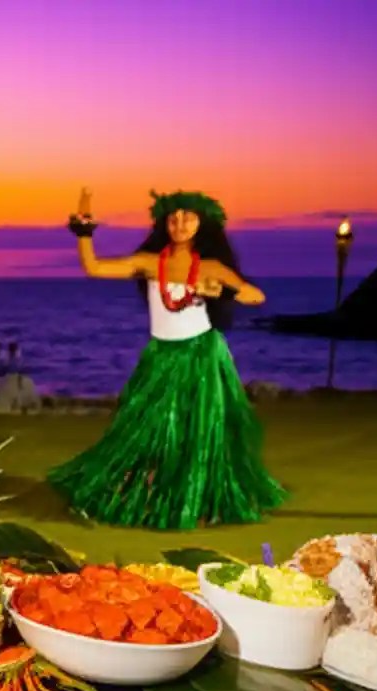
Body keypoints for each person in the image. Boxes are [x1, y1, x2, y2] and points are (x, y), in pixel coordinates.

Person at [48, 189, 287, 529]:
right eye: (173, 218)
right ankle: (137, 494)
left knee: (200, 432)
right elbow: (95, 268)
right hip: (161, 356)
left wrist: (221, 290)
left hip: (203, 356)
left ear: (202, 223)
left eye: (188, 217)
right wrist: (85, 232)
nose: (179, 224)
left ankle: (199, 502)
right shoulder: (149, 263)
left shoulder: (211, 266)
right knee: (143, 428)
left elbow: (255, 295)